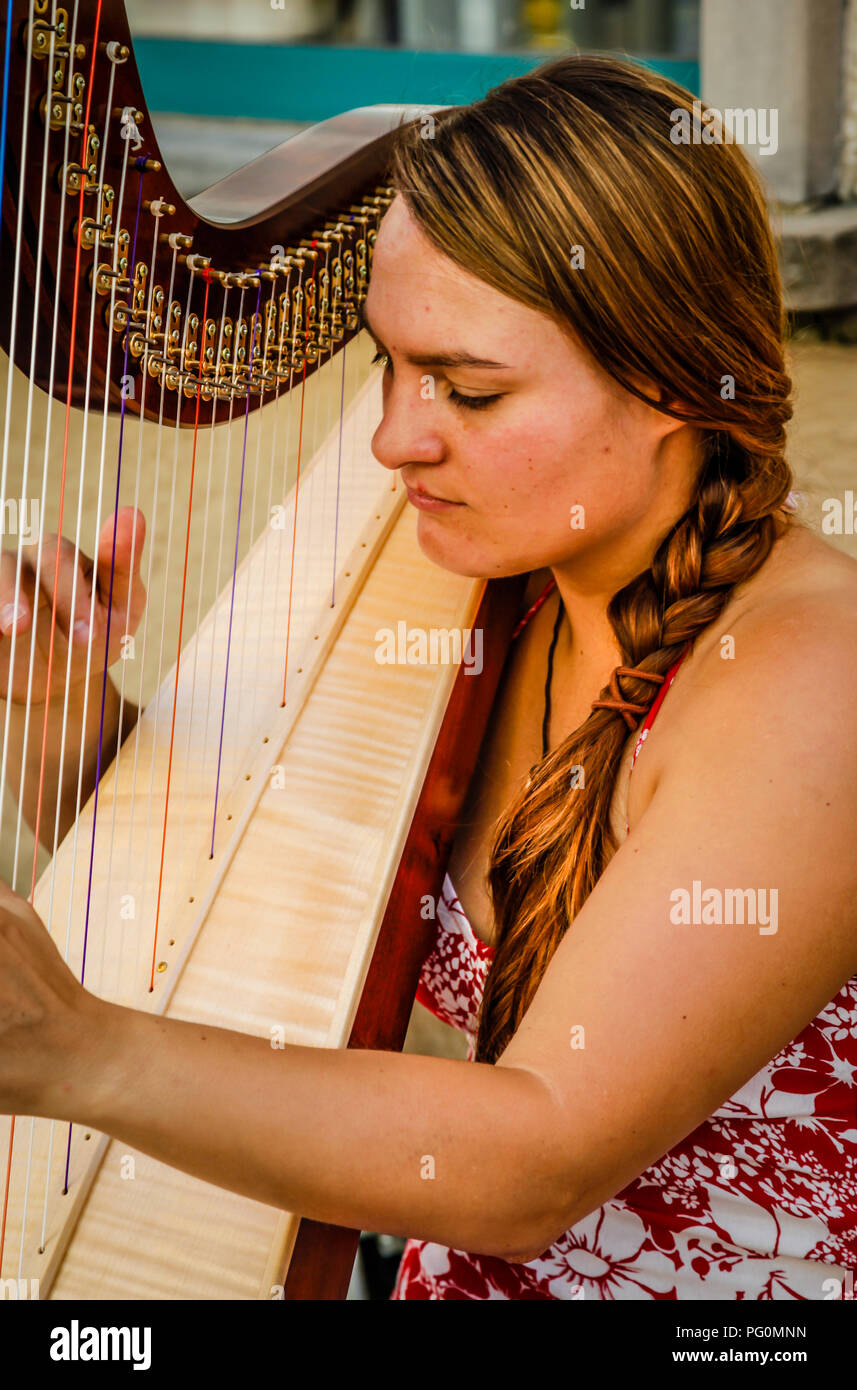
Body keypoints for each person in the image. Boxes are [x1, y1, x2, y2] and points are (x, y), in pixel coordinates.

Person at [1, 53, 856, 1301]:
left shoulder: (809, 688)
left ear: (673, 377)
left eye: (467, 388)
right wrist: (52, 702)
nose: (396, 438)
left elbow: (535, 1155)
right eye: (385, 367)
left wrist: (83, 1055)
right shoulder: (501, 588)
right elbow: (210, 906)